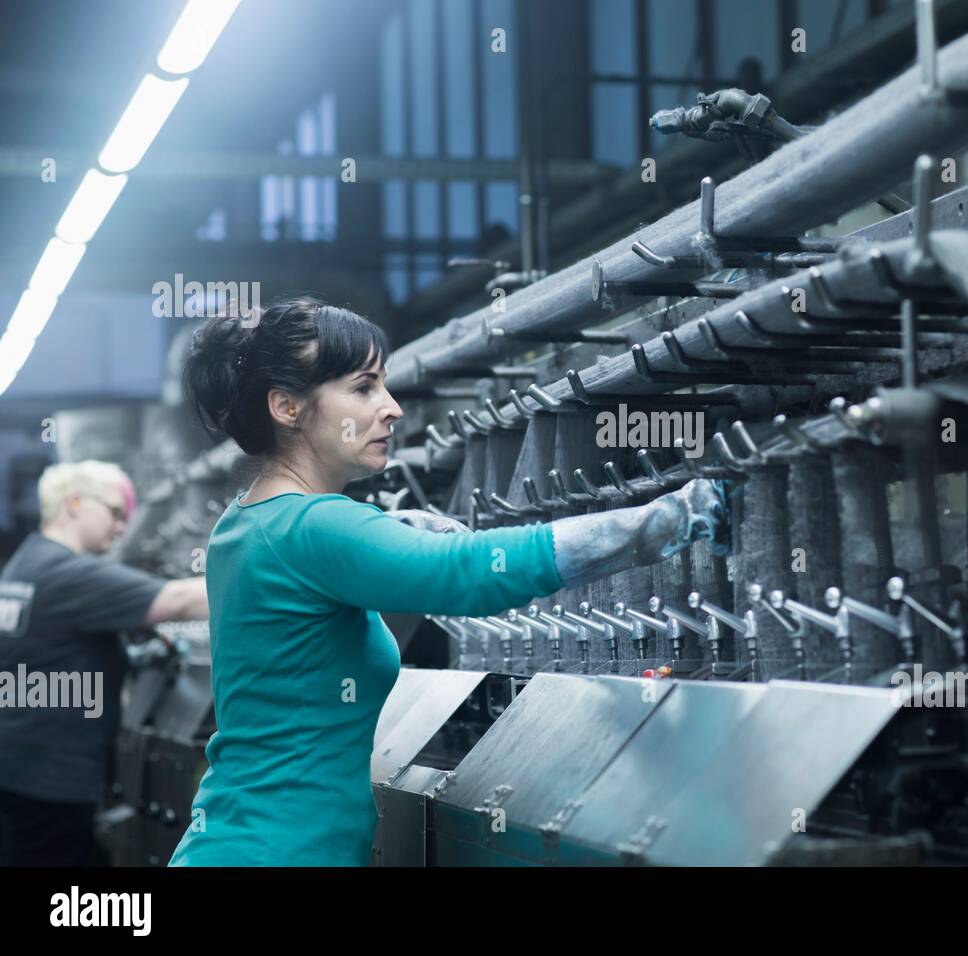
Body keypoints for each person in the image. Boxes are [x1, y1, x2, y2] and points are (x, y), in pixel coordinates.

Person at [168, 295, 728, 866]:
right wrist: (669, 519)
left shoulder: (246, 522)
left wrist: (390, 527)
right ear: (287, 407)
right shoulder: (313, 527)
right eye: (362, 388)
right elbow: (467, 575)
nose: (391, 408)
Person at [0, 460, 210, 866]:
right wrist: (271, 575)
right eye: (116, 513)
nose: (121, 529)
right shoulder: (64, 573)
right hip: (50, 782)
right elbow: (179, 600)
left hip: (20, 770)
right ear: (75, 502)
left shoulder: (23, 566)